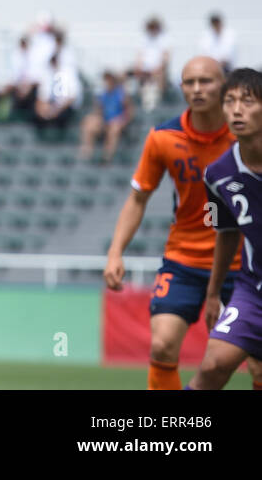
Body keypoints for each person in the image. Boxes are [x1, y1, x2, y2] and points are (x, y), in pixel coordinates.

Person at [103, 57, 256, 390]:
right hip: (183, 260)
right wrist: (115, 252)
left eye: (207, 81)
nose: (198, 89)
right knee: (161, 344)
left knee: (255, 366)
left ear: (223, 86)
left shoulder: (246, 137)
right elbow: (138, 198)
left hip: (242, 267)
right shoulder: (162, 138)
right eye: (189, 82)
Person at [189, 68, 262, 390]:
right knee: (213, 365)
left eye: (247, 101)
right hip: (253, 289)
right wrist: (214, 292)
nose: (236, 109)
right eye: (229, 101)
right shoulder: (216, 175)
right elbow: (225, 231)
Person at [77, 70, 132, 165]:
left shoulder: (120, 93)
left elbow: (129, 111)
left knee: (114, 128)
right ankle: (87, 151)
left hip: (116, 123)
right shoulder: (103, 94)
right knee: (89, 121)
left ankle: (107, 157)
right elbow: (99, 111)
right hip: (105, 122)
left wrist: (122, 121)